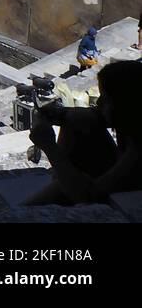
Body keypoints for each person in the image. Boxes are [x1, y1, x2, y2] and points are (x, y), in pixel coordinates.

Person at [26, 60, 142, 205]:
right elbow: (92, 116)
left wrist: (50, 147)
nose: (99, 103)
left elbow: (88, 197)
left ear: (124, 105)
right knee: (78, 119)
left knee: (61, 188)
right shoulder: (133, 120)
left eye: (105, 99)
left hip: (121, 203)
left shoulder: (138, 149)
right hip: (121, 177)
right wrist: (63, 114)